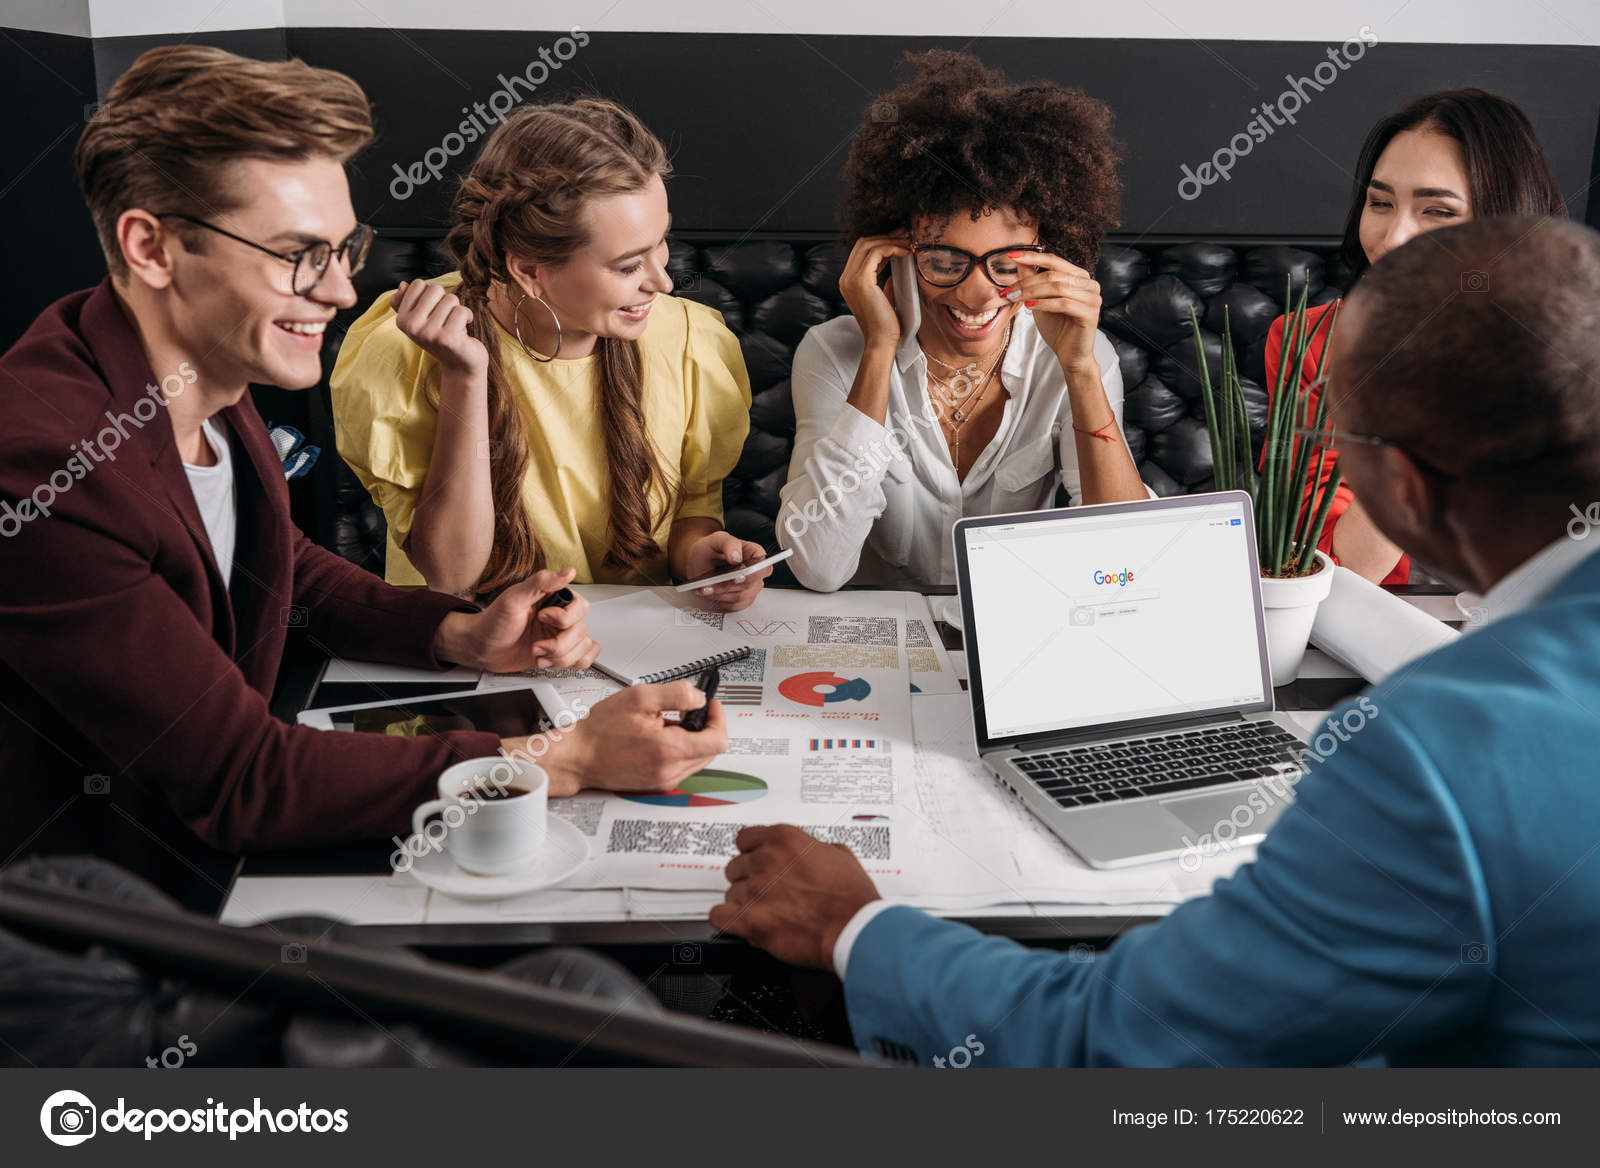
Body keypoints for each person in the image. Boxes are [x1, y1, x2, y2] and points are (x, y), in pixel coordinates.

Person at [715, 216, 1600, 1067]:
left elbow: (1116, 1041)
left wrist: (854, 928)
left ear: (1398, 486)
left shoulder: (1437, 755)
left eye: (1339, 428)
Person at [0, 46, 726, 911]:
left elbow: (287, 571)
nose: (342, 291)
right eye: (300, 255)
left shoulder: (206, 379)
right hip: (123, 920)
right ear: (152, 247)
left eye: (346, 250)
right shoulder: (46, 464)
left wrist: (458, 634)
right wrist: (564, 759)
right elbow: (240, 779)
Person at [331, 101, 770, 610]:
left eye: (662, 242)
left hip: (625, 649)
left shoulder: (691, 341)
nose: (663, 281)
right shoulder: (401, 354)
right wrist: (465, 376)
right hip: (473, 640)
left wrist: (700, 555)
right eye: (629, 265)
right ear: (530, 271)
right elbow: (450, 577)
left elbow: (690, 511)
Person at [777, 51, 1148, 592]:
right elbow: (818, 568)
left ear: (1049, 255)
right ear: (898, 252)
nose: (977, 294)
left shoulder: (1078, 357)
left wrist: (1081, 373)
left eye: (1008, 263)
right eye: (945, 261)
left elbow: (1128, 558)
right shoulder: (832, 353)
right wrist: (880, 350)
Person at [1265, 89, 1565, 584]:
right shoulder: (1313, 341)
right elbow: (1340, 570)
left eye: (1438, 212)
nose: (1393, 238)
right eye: (1380, 203)